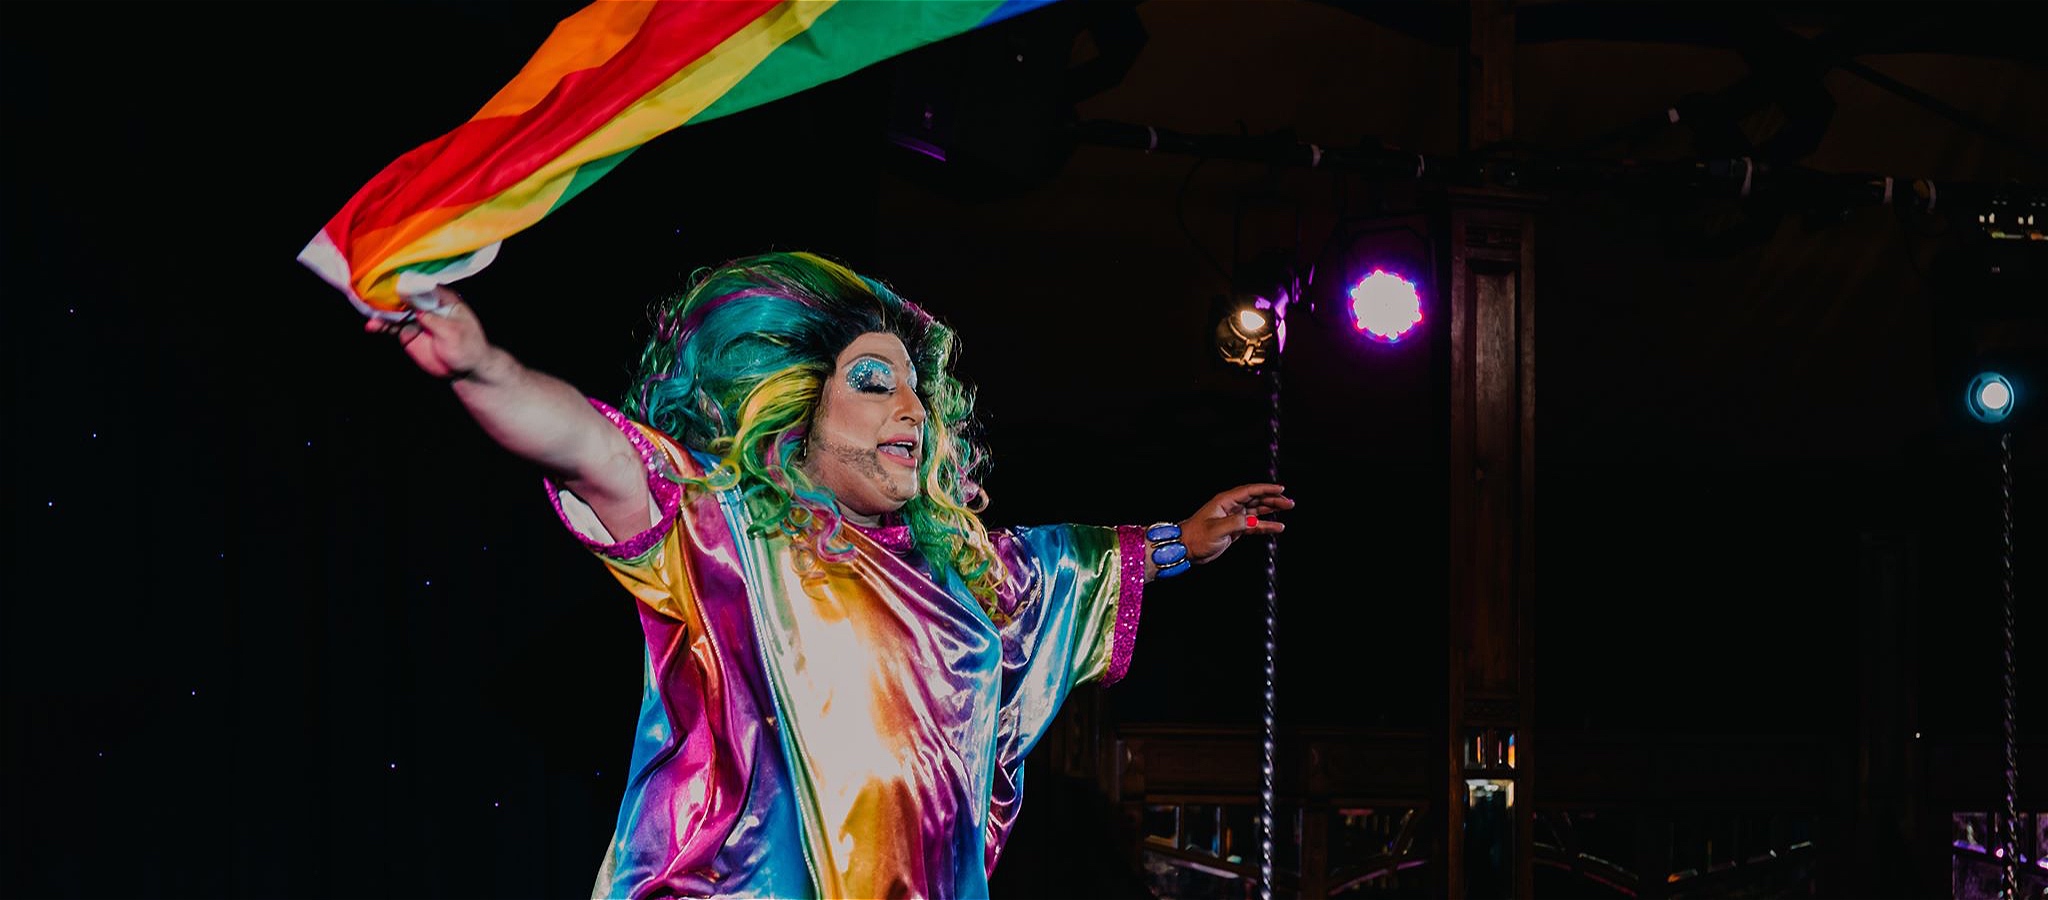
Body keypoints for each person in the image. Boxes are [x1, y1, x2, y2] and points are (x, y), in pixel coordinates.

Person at [370, 251, 1291, 899]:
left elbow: (1066, 566)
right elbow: (587, 449)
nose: (913, 411)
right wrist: (484, 367)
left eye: (919, 393)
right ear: (798, 402)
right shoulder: (724, 536)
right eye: (874, 381)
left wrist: (1181, 541)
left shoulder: (960, 571)